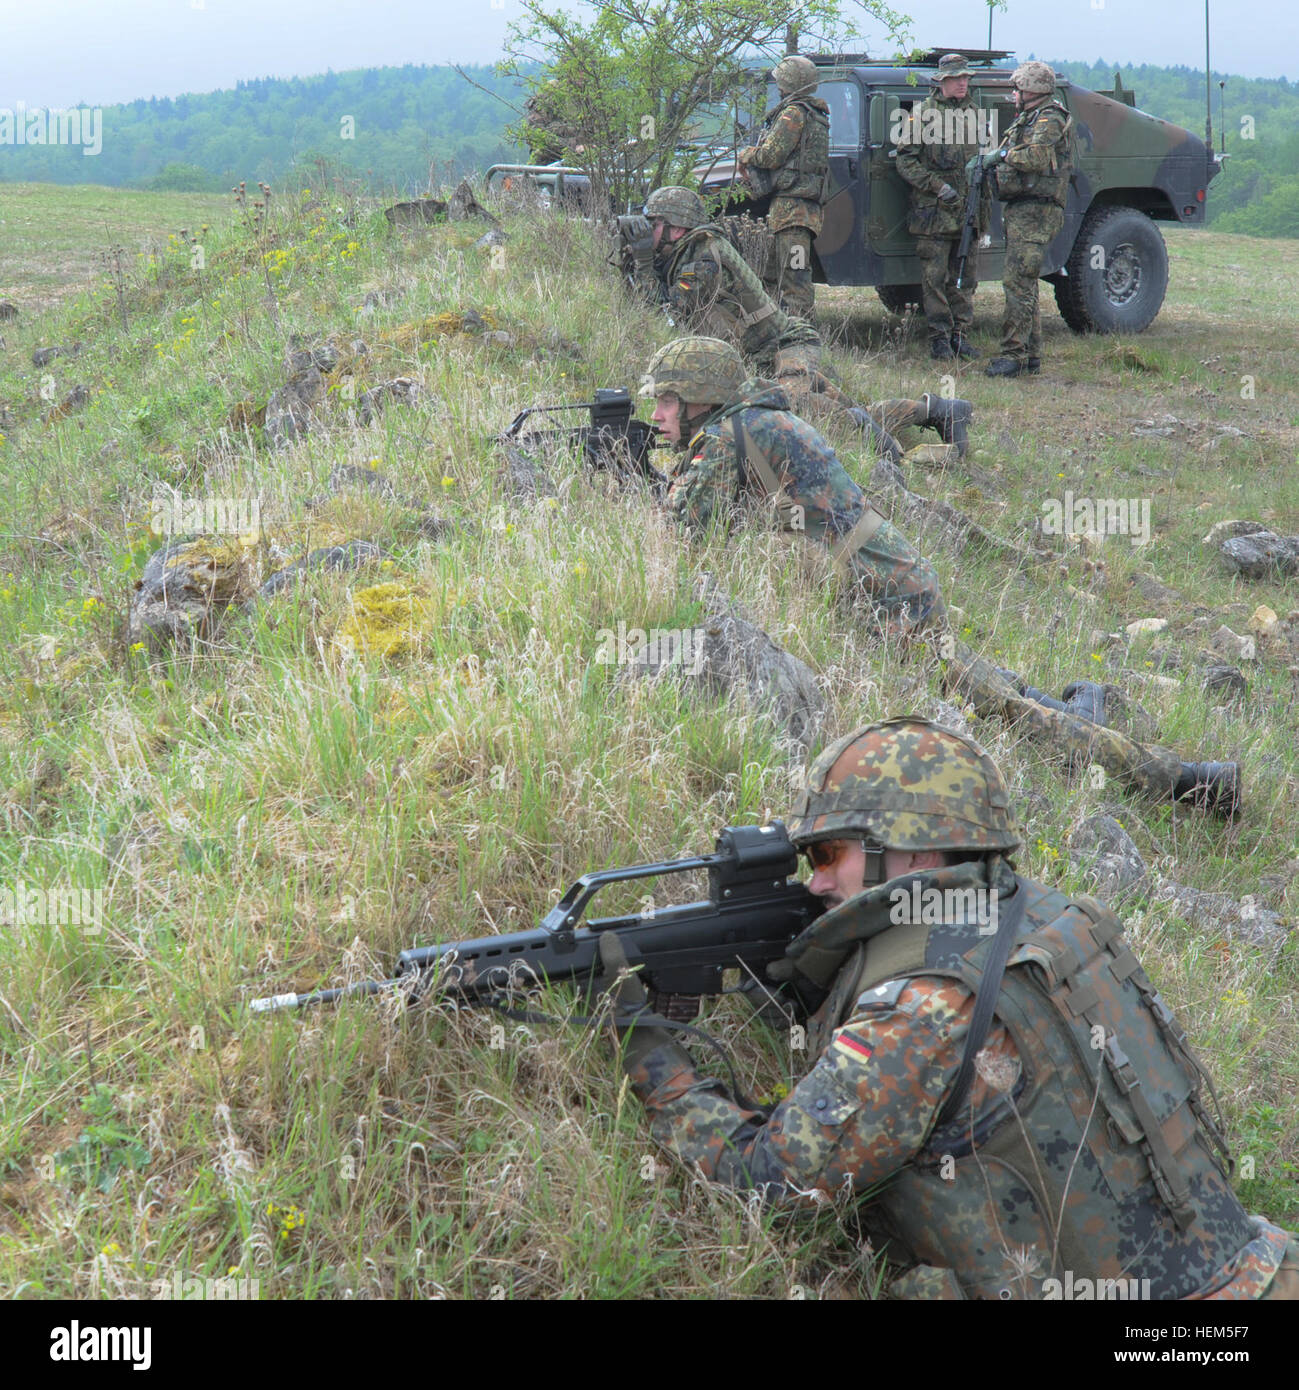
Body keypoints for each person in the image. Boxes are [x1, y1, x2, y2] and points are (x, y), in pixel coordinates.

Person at [598, 716, 1297, 1300]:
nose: (812, 879)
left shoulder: (926, 1005)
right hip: (1260, 1265)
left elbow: (773, 1181)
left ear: (914, 852)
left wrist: (642, 1046)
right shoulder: (1057, 920)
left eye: (829, 851)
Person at [645, 335, 1241, 812]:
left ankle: (1190, 779)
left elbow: (685, 535)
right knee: (983, 689)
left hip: (885, 597)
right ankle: (1080, 706)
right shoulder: (750, 421)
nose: (658, 413)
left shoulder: (728, 435)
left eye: (667, 401)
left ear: (701, 397)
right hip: (888, 579)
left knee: (1000, 713)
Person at [635, 185, 973, 462]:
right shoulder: (689, 252)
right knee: (844, 411)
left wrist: (641, 265)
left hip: (788, 344)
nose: (649, 231)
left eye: (654, 224)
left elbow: (670, 311)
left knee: (793, 405)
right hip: (772, 352)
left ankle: (887, 450)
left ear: (676, 227)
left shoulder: (704, 256)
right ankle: (938, 409)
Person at [978, 62, 1073, 377]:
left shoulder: (1049, 118)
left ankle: (1012, 356)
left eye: (1017, 89)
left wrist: (1002, 156)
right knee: (1024, 282)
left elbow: (1034, 158)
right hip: (1023, 209)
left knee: (1017, 283)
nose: (1014, 94)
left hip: (1038, 210)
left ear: (1032, 90)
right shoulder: (1029, 117)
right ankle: (1030, 355)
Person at [895, 53, 989, 361]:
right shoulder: (923, 115)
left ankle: (961, 336)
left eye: (966, 78)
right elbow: (905, 160)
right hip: (934, 215)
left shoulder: (976, 114)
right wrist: (938, 187)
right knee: (934, 280)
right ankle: (939, 338)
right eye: (957, 78)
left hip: (968, 213)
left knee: (964, 279)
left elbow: (984, 159)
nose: (963, 83)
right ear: (942, 81)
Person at [737, 54, 830, 322]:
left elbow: (770, 156)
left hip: (794, 216)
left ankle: (803, 341)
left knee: (795, 283)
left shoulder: (794, 113)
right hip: (793, 214)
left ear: (789, 82)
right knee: (771, 277)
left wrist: (746, 155)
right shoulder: (813, 113)